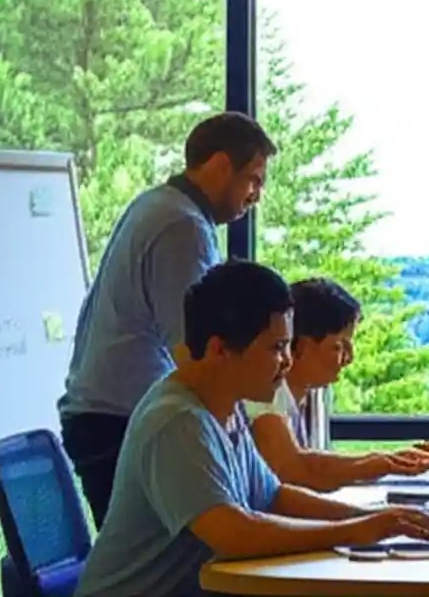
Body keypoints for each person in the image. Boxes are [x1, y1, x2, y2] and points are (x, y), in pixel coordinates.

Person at [74, 261, 429, 597]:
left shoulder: (224, 408)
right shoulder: (177, 422)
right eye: (277, 347)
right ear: (220, 349)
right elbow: (235, 534)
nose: (287, 361)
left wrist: (371, 519)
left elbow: (274, 496)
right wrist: (354, 532)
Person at [58, 112, 276, 528]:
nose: (256, 196)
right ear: (219, 166)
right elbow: (197, 354)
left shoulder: (158, 205)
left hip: (105, 414)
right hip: (119, 422)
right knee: (183, 560)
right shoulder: (183, 227)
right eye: (254, 180)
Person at [244, 277, 429, 491]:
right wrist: (385, 463)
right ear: (300, 346)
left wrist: (395, 461)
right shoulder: (263, 396)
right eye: (339, 347)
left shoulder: (313, 397)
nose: (350, 357)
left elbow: (320, 467)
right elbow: (297, 471)